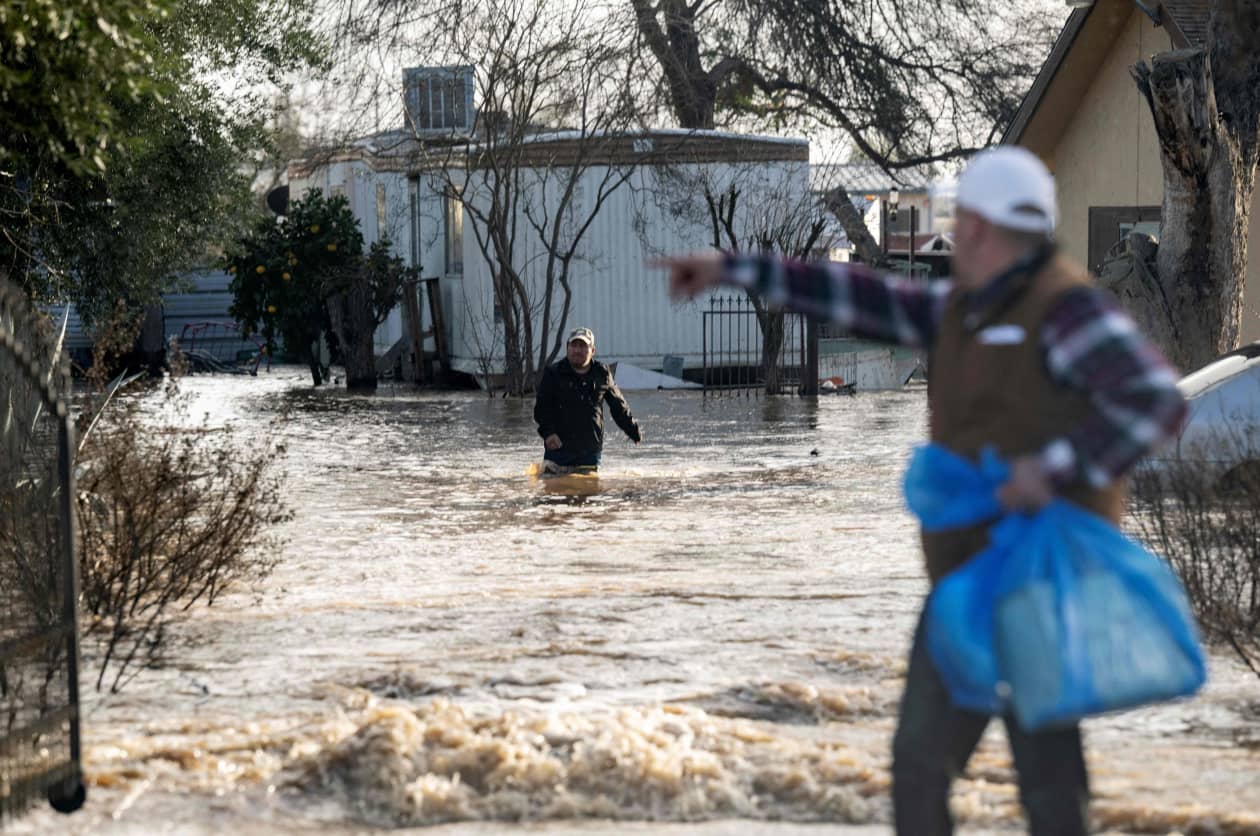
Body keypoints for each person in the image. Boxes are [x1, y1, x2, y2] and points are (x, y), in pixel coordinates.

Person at [653, 146, 1187, 835]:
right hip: (964, 583)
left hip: (1043, 585)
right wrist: (734, 268)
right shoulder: (959, 310)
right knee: (919, 765)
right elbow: (864, 296)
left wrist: (1053, 468)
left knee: (1050, 786)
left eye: (961, 220)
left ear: (979, 230)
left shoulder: (1066, 310)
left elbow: (1155, 401)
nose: (955, 234)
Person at [533, 327, 643, 474]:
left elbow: (618, 406)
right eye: (574, 345)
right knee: (554, 493)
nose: (577, 350)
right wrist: (548, 433)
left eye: (583, 346)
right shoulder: (553, 373)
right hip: (558, 449)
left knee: (588, 492)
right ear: (567, 348)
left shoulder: (602, 373)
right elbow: (541, 408)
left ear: (593, 350)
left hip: (589, 451)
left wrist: (633, 431)